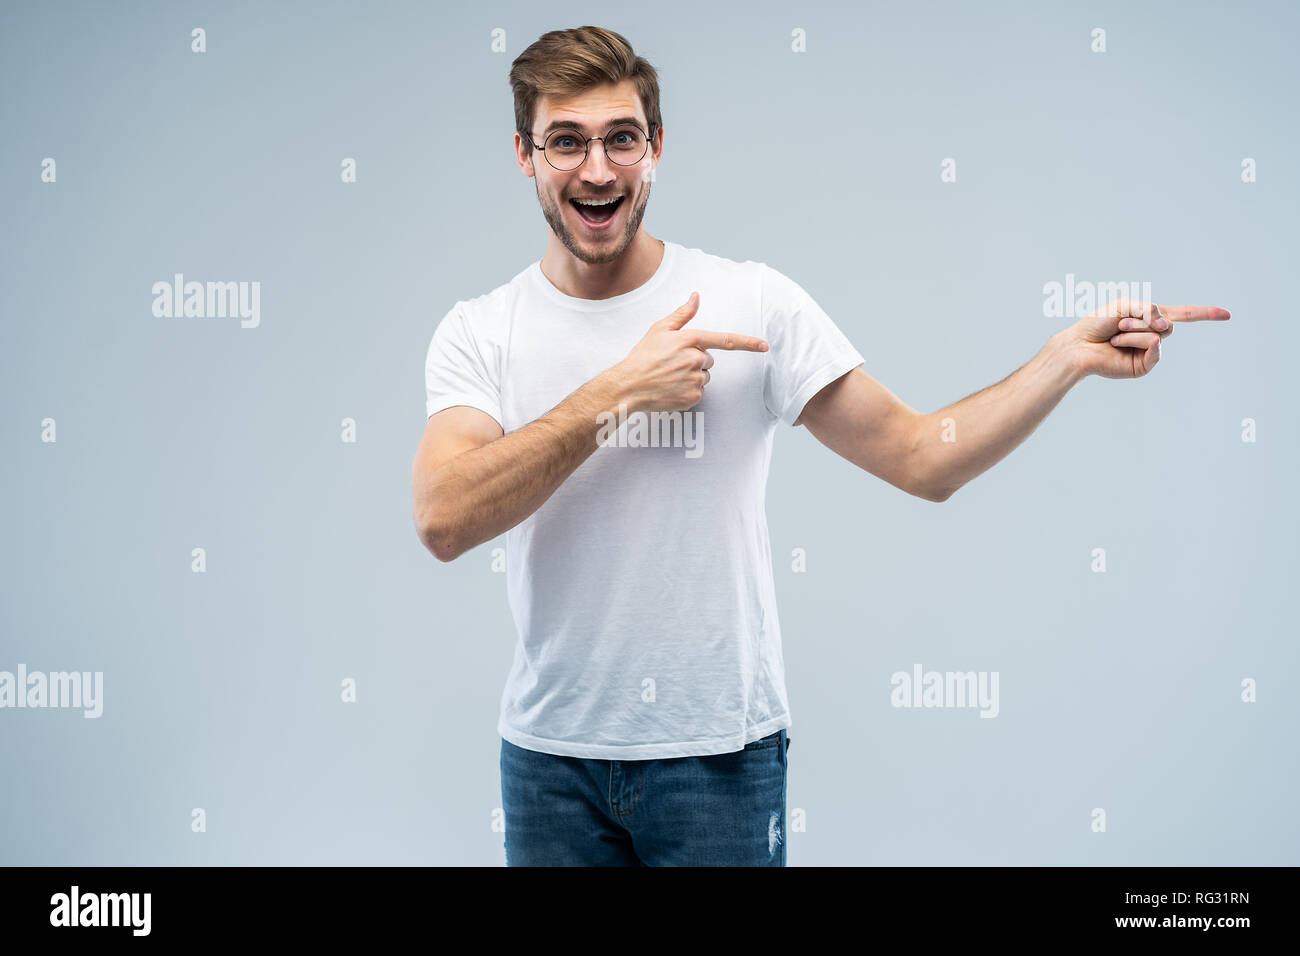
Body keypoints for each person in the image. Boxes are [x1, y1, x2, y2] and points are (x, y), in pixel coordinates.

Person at [411, 25, 1230, 866]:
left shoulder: (749, 301)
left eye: (622, 138)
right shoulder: (482, 330)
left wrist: (1063, 360)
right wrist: (619, 392)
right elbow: (444, 518)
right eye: (566, 142)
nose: (596, 169)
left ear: (656, 148)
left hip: (719, 759)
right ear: (524, 154)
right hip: (550, 764)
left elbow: (922, 457)